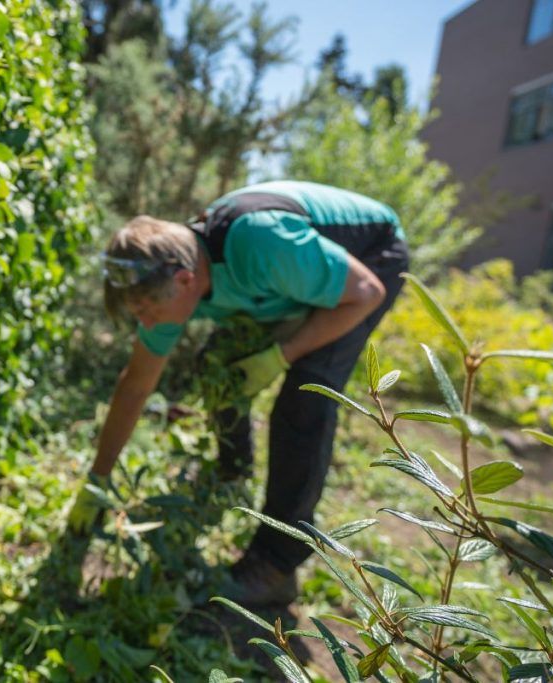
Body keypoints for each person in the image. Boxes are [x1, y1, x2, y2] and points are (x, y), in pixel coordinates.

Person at [67, 180, 409, 606]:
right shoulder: (169, 282)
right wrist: (97, 479)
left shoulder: (261, 245)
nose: (147, 324)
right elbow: (136, 384)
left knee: (306, 393)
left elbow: (366, 293)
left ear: (186, 280)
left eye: (148, 312)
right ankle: (233, 475)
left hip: (368, 263)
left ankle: (276, 564)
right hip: (295, 278)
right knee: (219, 367)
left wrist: (280, 356)